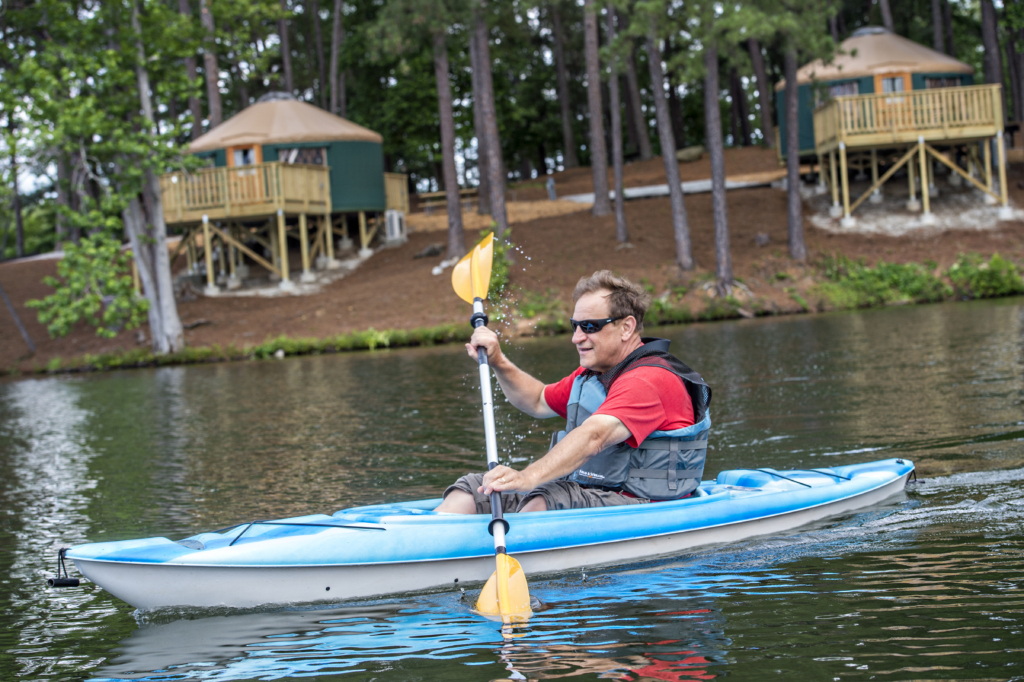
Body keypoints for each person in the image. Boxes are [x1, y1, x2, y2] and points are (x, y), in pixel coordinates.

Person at [435, 270, 712, 514]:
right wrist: (499, 362)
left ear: (626, 327)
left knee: (544, 498)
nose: (576, 337)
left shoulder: (650, 380)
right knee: (472, 490)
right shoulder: (594, 374)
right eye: (575, 325)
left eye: (590, 327)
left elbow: (594, 436)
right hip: (588, 493)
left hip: (642, 505)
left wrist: (528, 477)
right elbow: (537, 400)